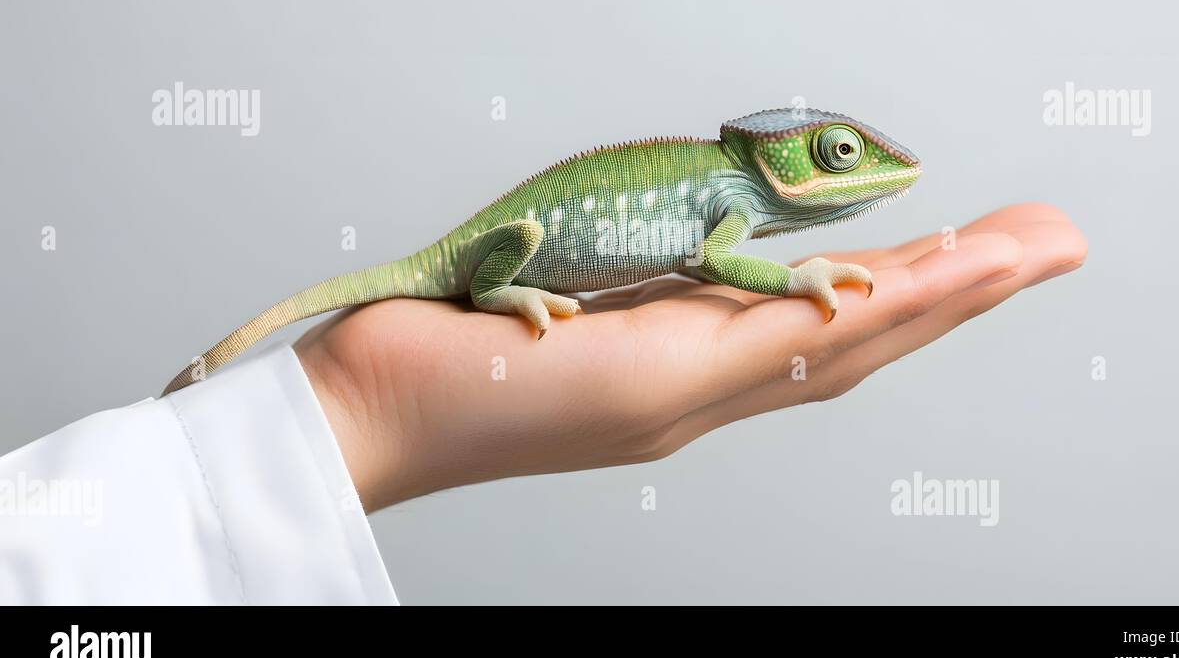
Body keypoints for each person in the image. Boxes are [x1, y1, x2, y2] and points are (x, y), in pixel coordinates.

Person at [0, 204, 1086, 604]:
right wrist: (795, 280)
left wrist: (344, 410)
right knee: (502, 263)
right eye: (833, 161)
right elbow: (722, 264)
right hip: (491, 261)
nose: (852, 176)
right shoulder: (729, 215)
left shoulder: (730, 194)